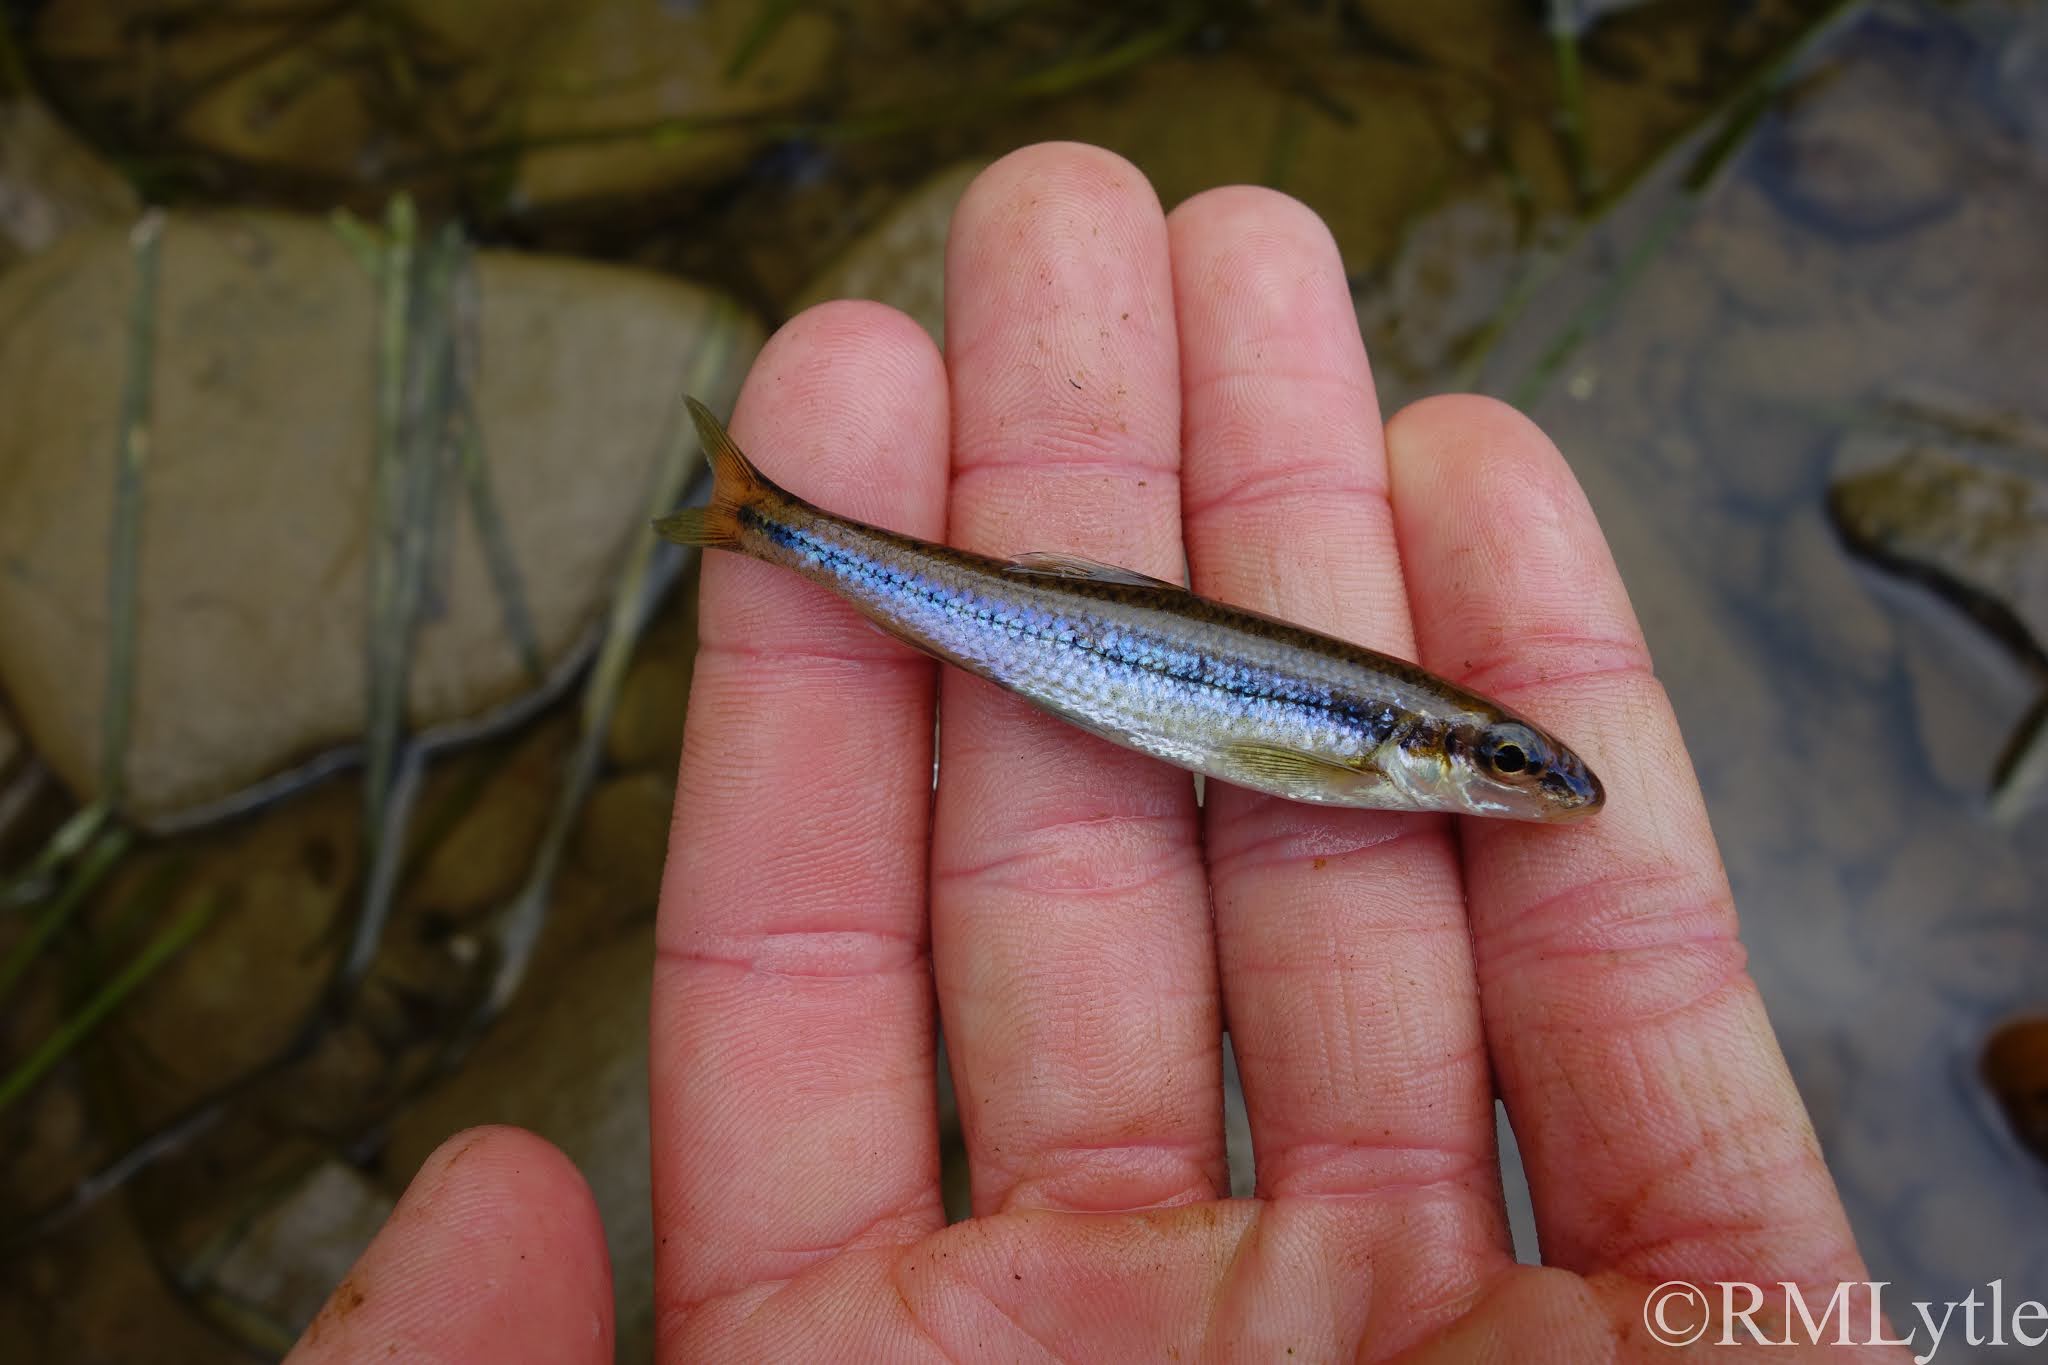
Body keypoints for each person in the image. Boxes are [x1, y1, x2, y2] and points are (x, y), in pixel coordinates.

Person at [287, 143, 1884, 1362]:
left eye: (1518, 768)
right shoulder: (1379, 749)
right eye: (1514, 766)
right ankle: (771, 518)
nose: (1530, 788)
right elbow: (1328, 751)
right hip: (1075, 647)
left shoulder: (1407, 750)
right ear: (1446, 750)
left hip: (1094, 650)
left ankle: (771, 518)